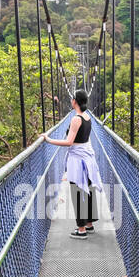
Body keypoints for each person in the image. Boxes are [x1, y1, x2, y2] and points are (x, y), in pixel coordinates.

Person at [44, 89, 104, 238]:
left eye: (72, 99)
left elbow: (69, 142)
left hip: (77, 160)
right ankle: (89, 224)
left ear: (75, 101)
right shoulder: (87, 117)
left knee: (78, 192)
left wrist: (48, 139)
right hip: (87, 159)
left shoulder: (76, 119)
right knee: (88, 190)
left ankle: (81, 230)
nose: (71, 101)